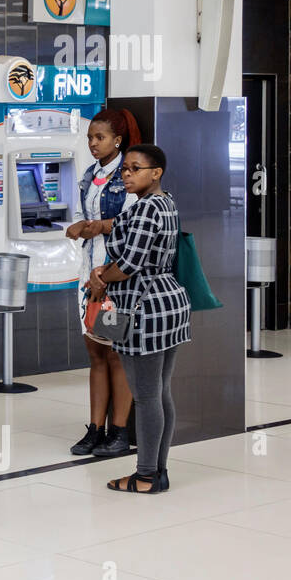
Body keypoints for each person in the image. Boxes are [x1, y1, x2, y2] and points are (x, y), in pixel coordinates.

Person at [87, 145, 191, 494]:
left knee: (146, 396)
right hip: (168, 303)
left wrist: (100, 276)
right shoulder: (167, 202)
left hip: (142, 308)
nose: (127, 174)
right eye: (125, 169)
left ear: (156, 172)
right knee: (160, 393)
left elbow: (129, 264)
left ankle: (146, 476)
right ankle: (157, 471)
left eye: (136, 168)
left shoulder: (146, 209)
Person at [65, 108, 140, 456]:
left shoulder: (127, 177)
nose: (93, 144)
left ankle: (119, 432)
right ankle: (95, 429)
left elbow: (129, 225)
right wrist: (80, 226)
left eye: (100, 138)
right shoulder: (89, 175)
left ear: (118, 140)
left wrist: (101, 226)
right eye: (90, 138)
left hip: (112, 278)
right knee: (95, 354)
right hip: (87, 276)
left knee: (115, 356)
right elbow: (81, 216)